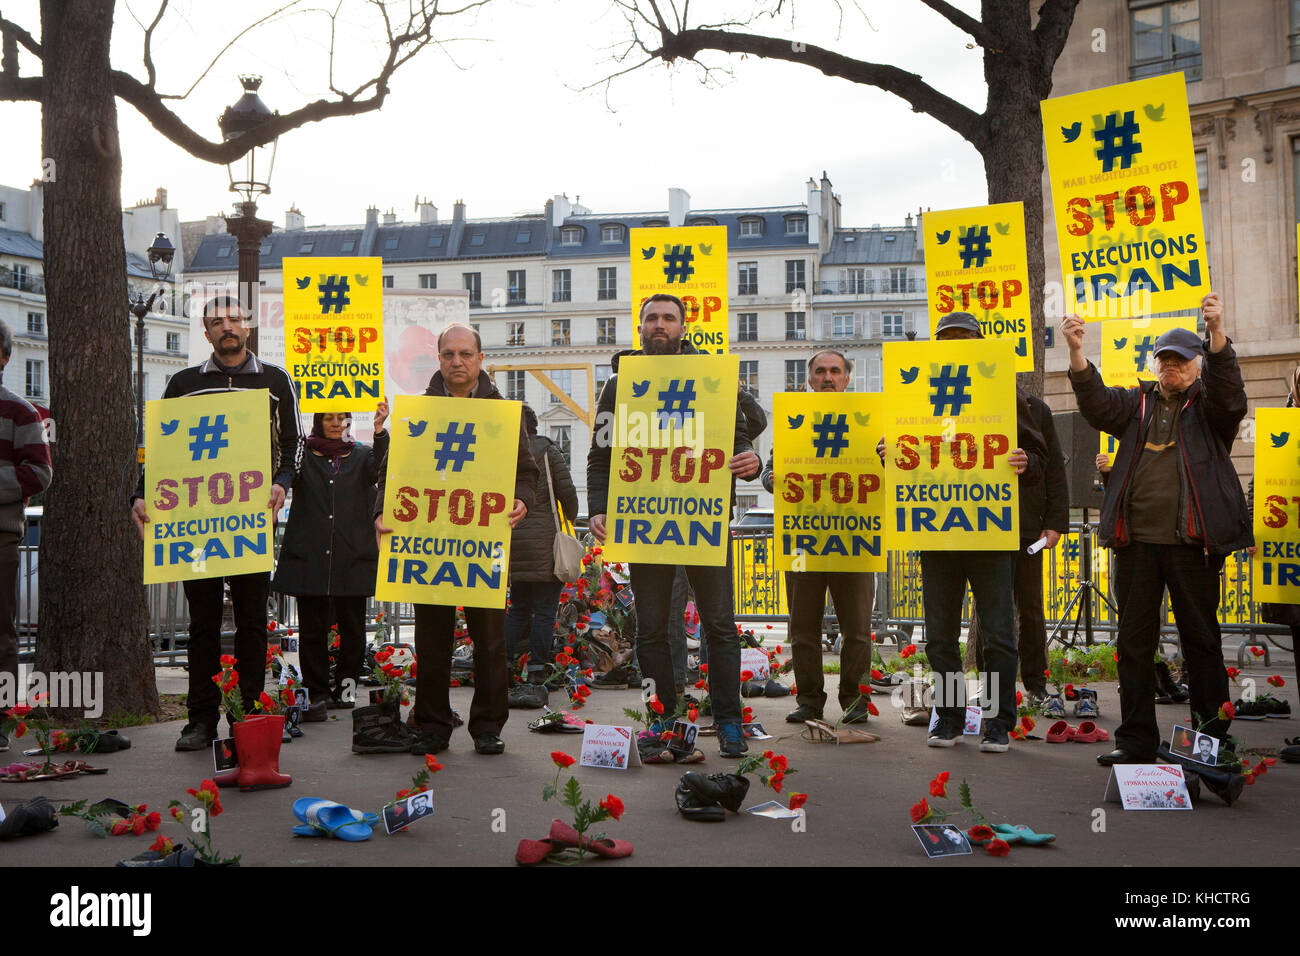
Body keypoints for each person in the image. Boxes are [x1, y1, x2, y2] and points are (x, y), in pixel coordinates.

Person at [1062, 293, 1251, 766]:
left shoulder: (1211, 407)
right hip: (1136, 545)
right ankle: (1136, 741)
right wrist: (1077, 352)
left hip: (1193, 545)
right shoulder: (1137, 403)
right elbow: (1098, 406)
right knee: (1133, 643)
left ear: (1196, 366)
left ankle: (1211, 741)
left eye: (1181, 361)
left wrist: (1217, 333)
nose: (1171, 367)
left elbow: (1231, 393)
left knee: (1202, 642)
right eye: (1165, 360)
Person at [587, 293, 763, 758]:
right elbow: (600, 455)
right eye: (651, 318)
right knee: (649, 630)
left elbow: (740, 441)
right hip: (644, 522)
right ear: (639, 326)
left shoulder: (711, 378)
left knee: (720, 624)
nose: (659, 325)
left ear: (683, 327)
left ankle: (728, 722)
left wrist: (750, 461)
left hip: (703, 521)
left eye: (668, 318)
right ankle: (661, 720)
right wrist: (599, 508)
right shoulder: (618, 384)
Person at [131, 295, 301, 752]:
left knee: (252, 622)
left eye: (234, 319)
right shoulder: (183, 383)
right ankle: (200, 720)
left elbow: (293, 442)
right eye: (216, 322)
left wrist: (282, 481)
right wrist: (141, 494)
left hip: (249, 520)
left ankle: (248, 716)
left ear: (248, 328)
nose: (227, 327)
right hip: (197, 525)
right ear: (205, 334)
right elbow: (162, 450)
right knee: (202, 625)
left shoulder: (274, 380)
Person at [374, 324, 537, 756]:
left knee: (489, 638)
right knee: (431, 638)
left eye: (465, 354)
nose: (457, 361)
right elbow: (391, 472)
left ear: (481, 359)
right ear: (439, 359)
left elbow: (528, 472)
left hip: (481, 543)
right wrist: (380, 511)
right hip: (429, 541)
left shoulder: (504, 412)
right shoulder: (419, 410)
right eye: (448, 354)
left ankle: (487, 726)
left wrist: (521, 499)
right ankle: (431, 724)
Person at [913, 312, 1043, 753]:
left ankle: (998, 722)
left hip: (990, 535)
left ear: (980, 343)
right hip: (938, 536)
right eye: (947, 339)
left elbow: (1039, 457)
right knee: (940, 637)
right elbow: (903, 447)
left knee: (1000, 635)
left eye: (965, 339)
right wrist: (886, 451)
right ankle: (948, 718)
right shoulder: (916, 389)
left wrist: (1027, 462)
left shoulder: (1004, 391)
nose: (957, 345)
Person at [759, 348, 876, 726]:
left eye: (835, 372)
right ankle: (810, 701)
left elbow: (884, 469)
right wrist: (770, 479)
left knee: (857, 629)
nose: (828, 377)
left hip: (854, 540)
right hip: (803, 540)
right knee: (803, 628)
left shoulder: (868, 422)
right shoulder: (796, 423)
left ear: (846, 379)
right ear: (810, 380)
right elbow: (771, 469)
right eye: (821, 372)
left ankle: (855, 701)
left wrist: (886, 456)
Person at [271, 403, 390, 718]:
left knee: (353, 630)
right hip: (311, 555)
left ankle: (347, 691)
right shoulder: (304, 456)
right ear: (318, 421)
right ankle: (318, 692)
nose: (337, 423)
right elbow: (282, 470)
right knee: (312, 630)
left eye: (342, 417)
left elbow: (383, 469)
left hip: (353, 555)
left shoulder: (362, 455)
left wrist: (380, 432)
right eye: (329, 418)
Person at [965, 376, 1069, 708]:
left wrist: (1054, 523)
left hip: (1025, 524)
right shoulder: (964, 405)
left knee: (1030, 606)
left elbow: (1054, 468)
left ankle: (1036, 681)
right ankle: (989, 685)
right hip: (982, 523)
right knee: (988, 609)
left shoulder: (1036, 410)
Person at [0, 319, 52, 753]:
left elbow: (39, 473)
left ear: (4, 358)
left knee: (2, 633)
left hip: (0, 538)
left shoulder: (21, 412)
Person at [505, 404, 578, 706]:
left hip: (514, 542)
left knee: (518, 608)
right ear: (535, 426)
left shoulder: (503, 453)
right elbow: (568, 494)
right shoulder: (547, 451)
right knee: (545, 611)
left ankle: (504, 664)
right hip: (546, 544)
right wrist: (570, 519)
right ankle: (537, 668)